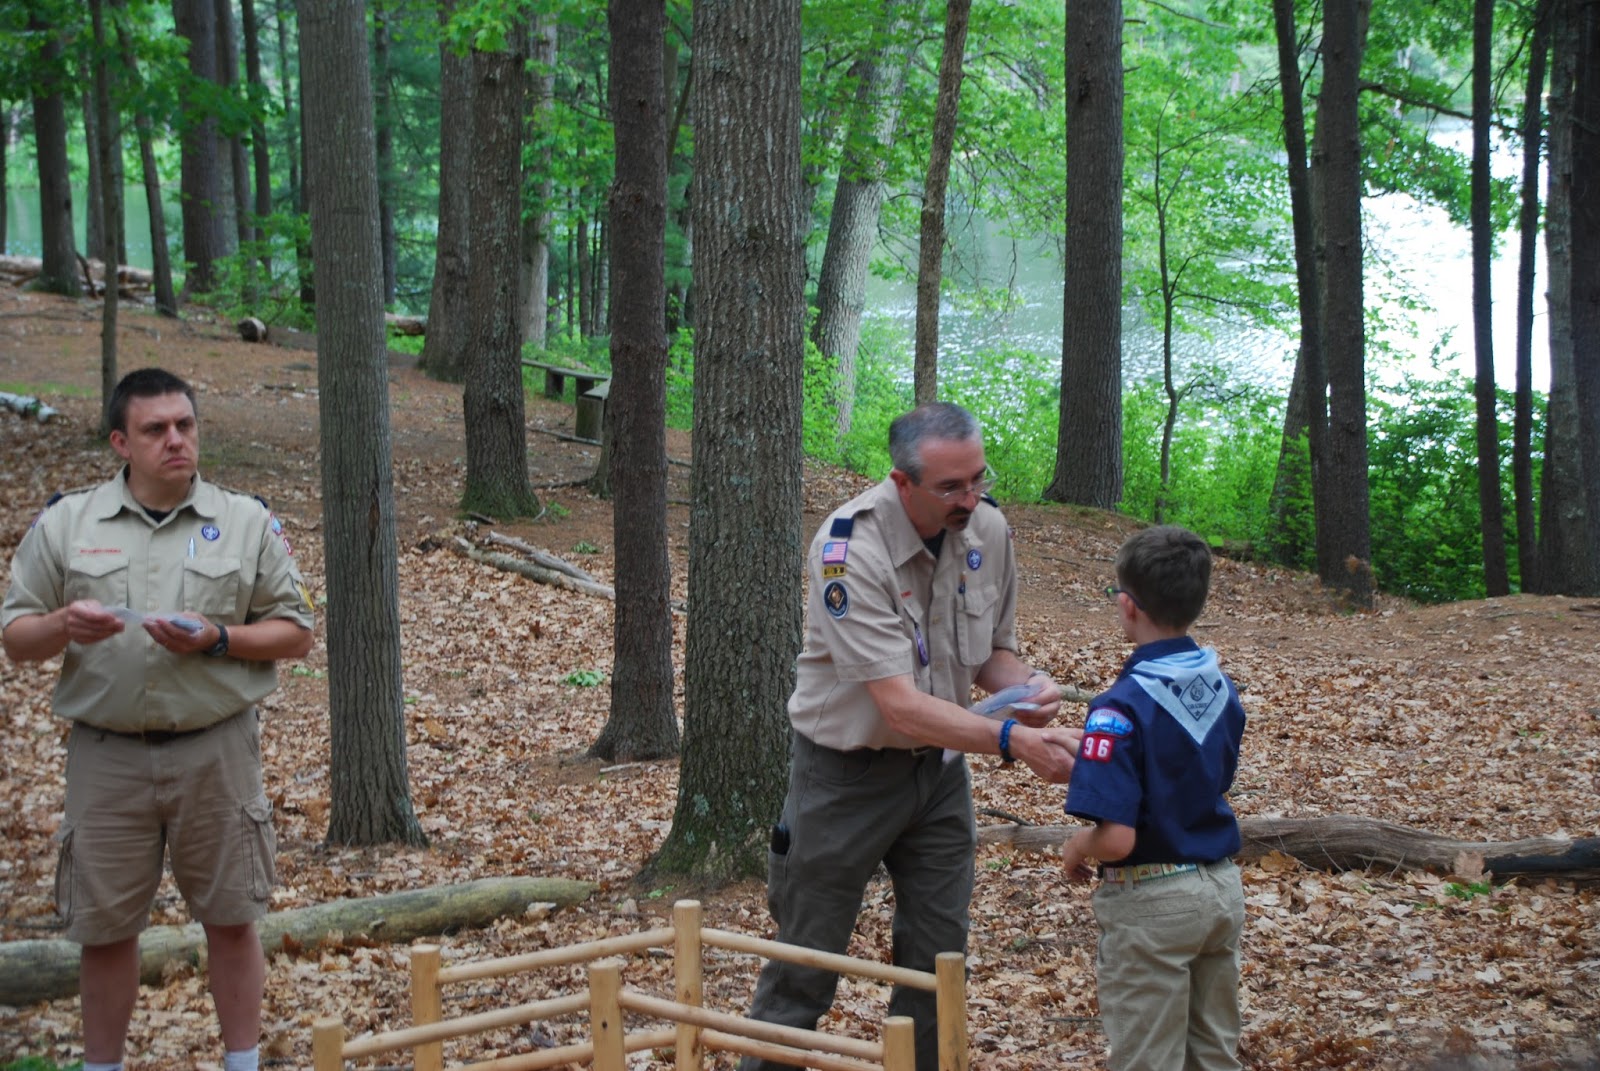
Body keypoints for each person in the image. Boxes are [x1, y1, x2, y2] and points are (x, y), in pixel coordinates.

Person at [741, 402, 1082, 1071]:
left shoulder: (988, 530)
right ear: (903, 482)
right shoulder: (849, 549)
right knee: (804, 968)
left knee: (938, 962)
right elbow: (900, 705)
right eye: (951, 487)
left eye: (978, 478)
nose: (971, 497)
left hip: (941, 777)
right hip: (843, 777)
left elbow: (989, 656)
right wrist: (1011, 739)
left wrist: (1030, 686)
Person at [2, 368, 316, 1071]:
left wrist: (218, 638)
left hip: (218, 750)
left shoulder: (244, 520)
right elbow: (16, 638)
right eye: (155, 429)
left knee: (233, 919)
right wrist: (62, 623)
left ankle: (242, 1063)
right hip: (106, 757)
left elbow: (296, 632)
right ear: (121, 441)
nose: (176, 440)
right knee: (105, 930)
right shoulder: (68, 523)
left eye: (185, 424)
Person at [1060, 525, 1248, 1071]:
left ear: (1127, 605)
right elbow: (1211, 775)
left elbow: (1116, 839)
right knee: (1213, 1055)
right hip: (1221, 888)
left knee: (1147, 1060)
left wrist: (1076, 845)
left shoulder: (1116, 709)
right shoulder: (1220, 687)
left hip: (1154, 901)